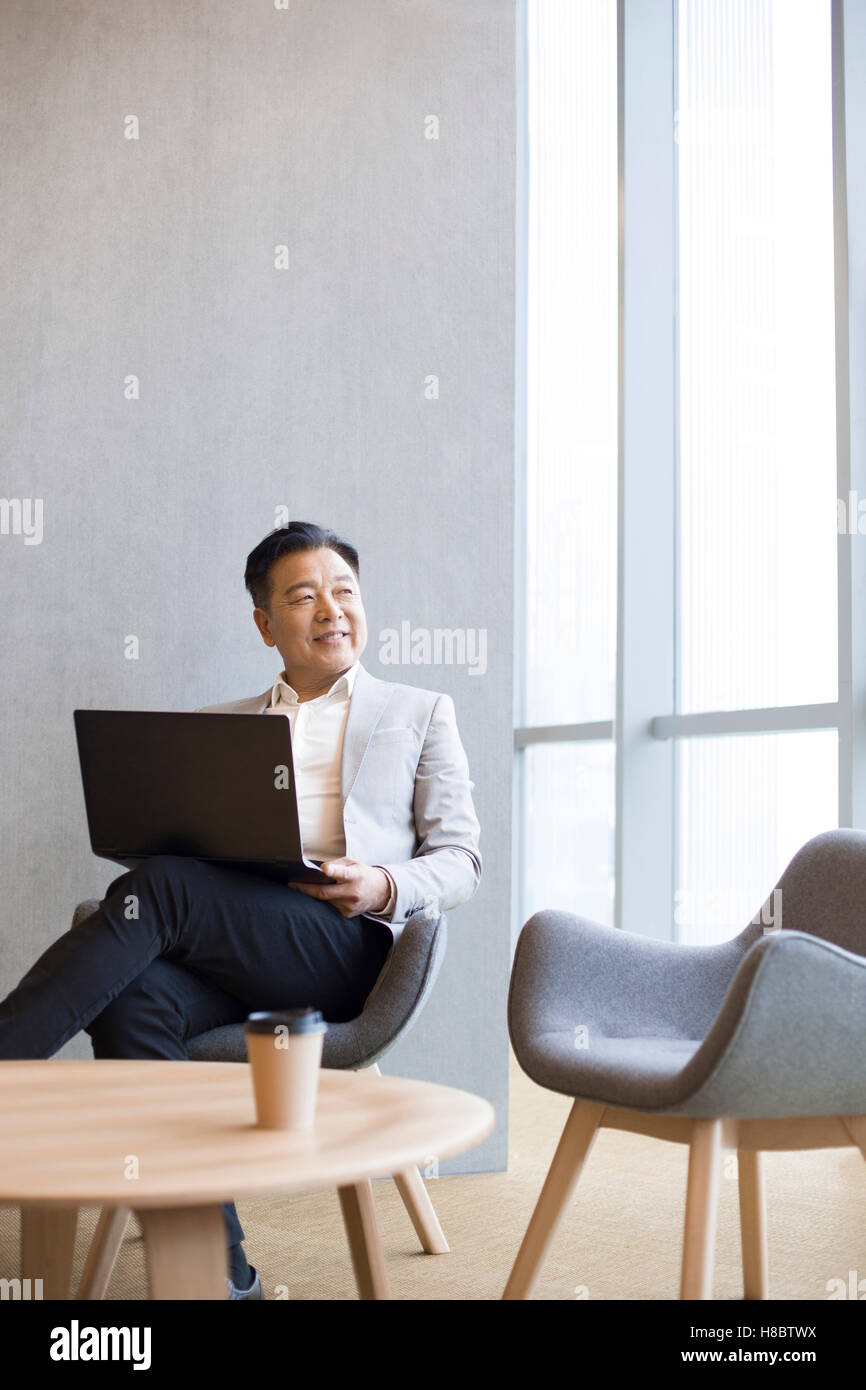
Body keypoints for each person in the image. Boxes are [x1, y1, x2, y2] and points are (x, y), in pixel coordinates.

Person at [0, 521, 482, 1298]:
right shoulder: (219, 728)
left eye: (344, 591)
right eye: (303, 596)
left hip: (342, 945)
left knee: (163, 885)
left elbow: (461, 859)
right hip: (231, 946)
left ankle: (7, 1059)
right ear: (265, 623)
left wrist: (381, 885)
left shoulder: (420, 711)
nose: (331, 608)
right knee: (136, 1003)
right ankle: (222, 1279)